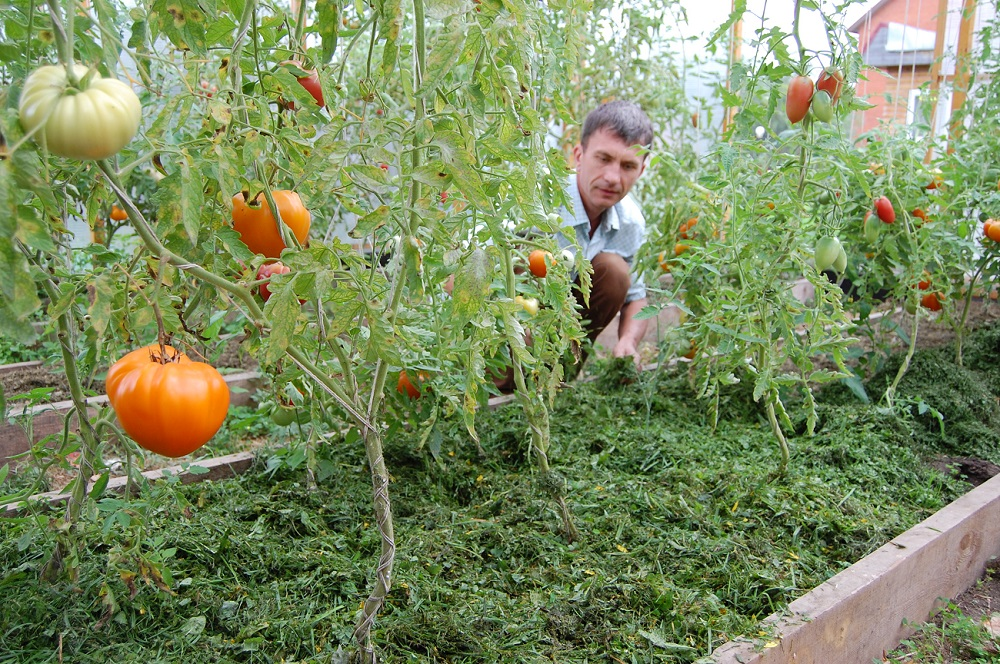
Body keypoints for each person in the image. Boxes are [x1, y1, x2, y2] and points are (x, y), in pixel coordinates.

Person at [555, 100, 654, 368]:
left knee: (616, 271)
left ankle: (564, 372)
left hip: (565, 335)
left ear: (641, 170)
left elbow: (636, 298)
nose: (612, 177)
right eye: (604, 159)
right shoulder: (539, 201)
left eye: (628, 166)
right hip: (509, 327)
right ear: (578, 155)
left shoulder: (630, 223)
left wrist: (628, 341)